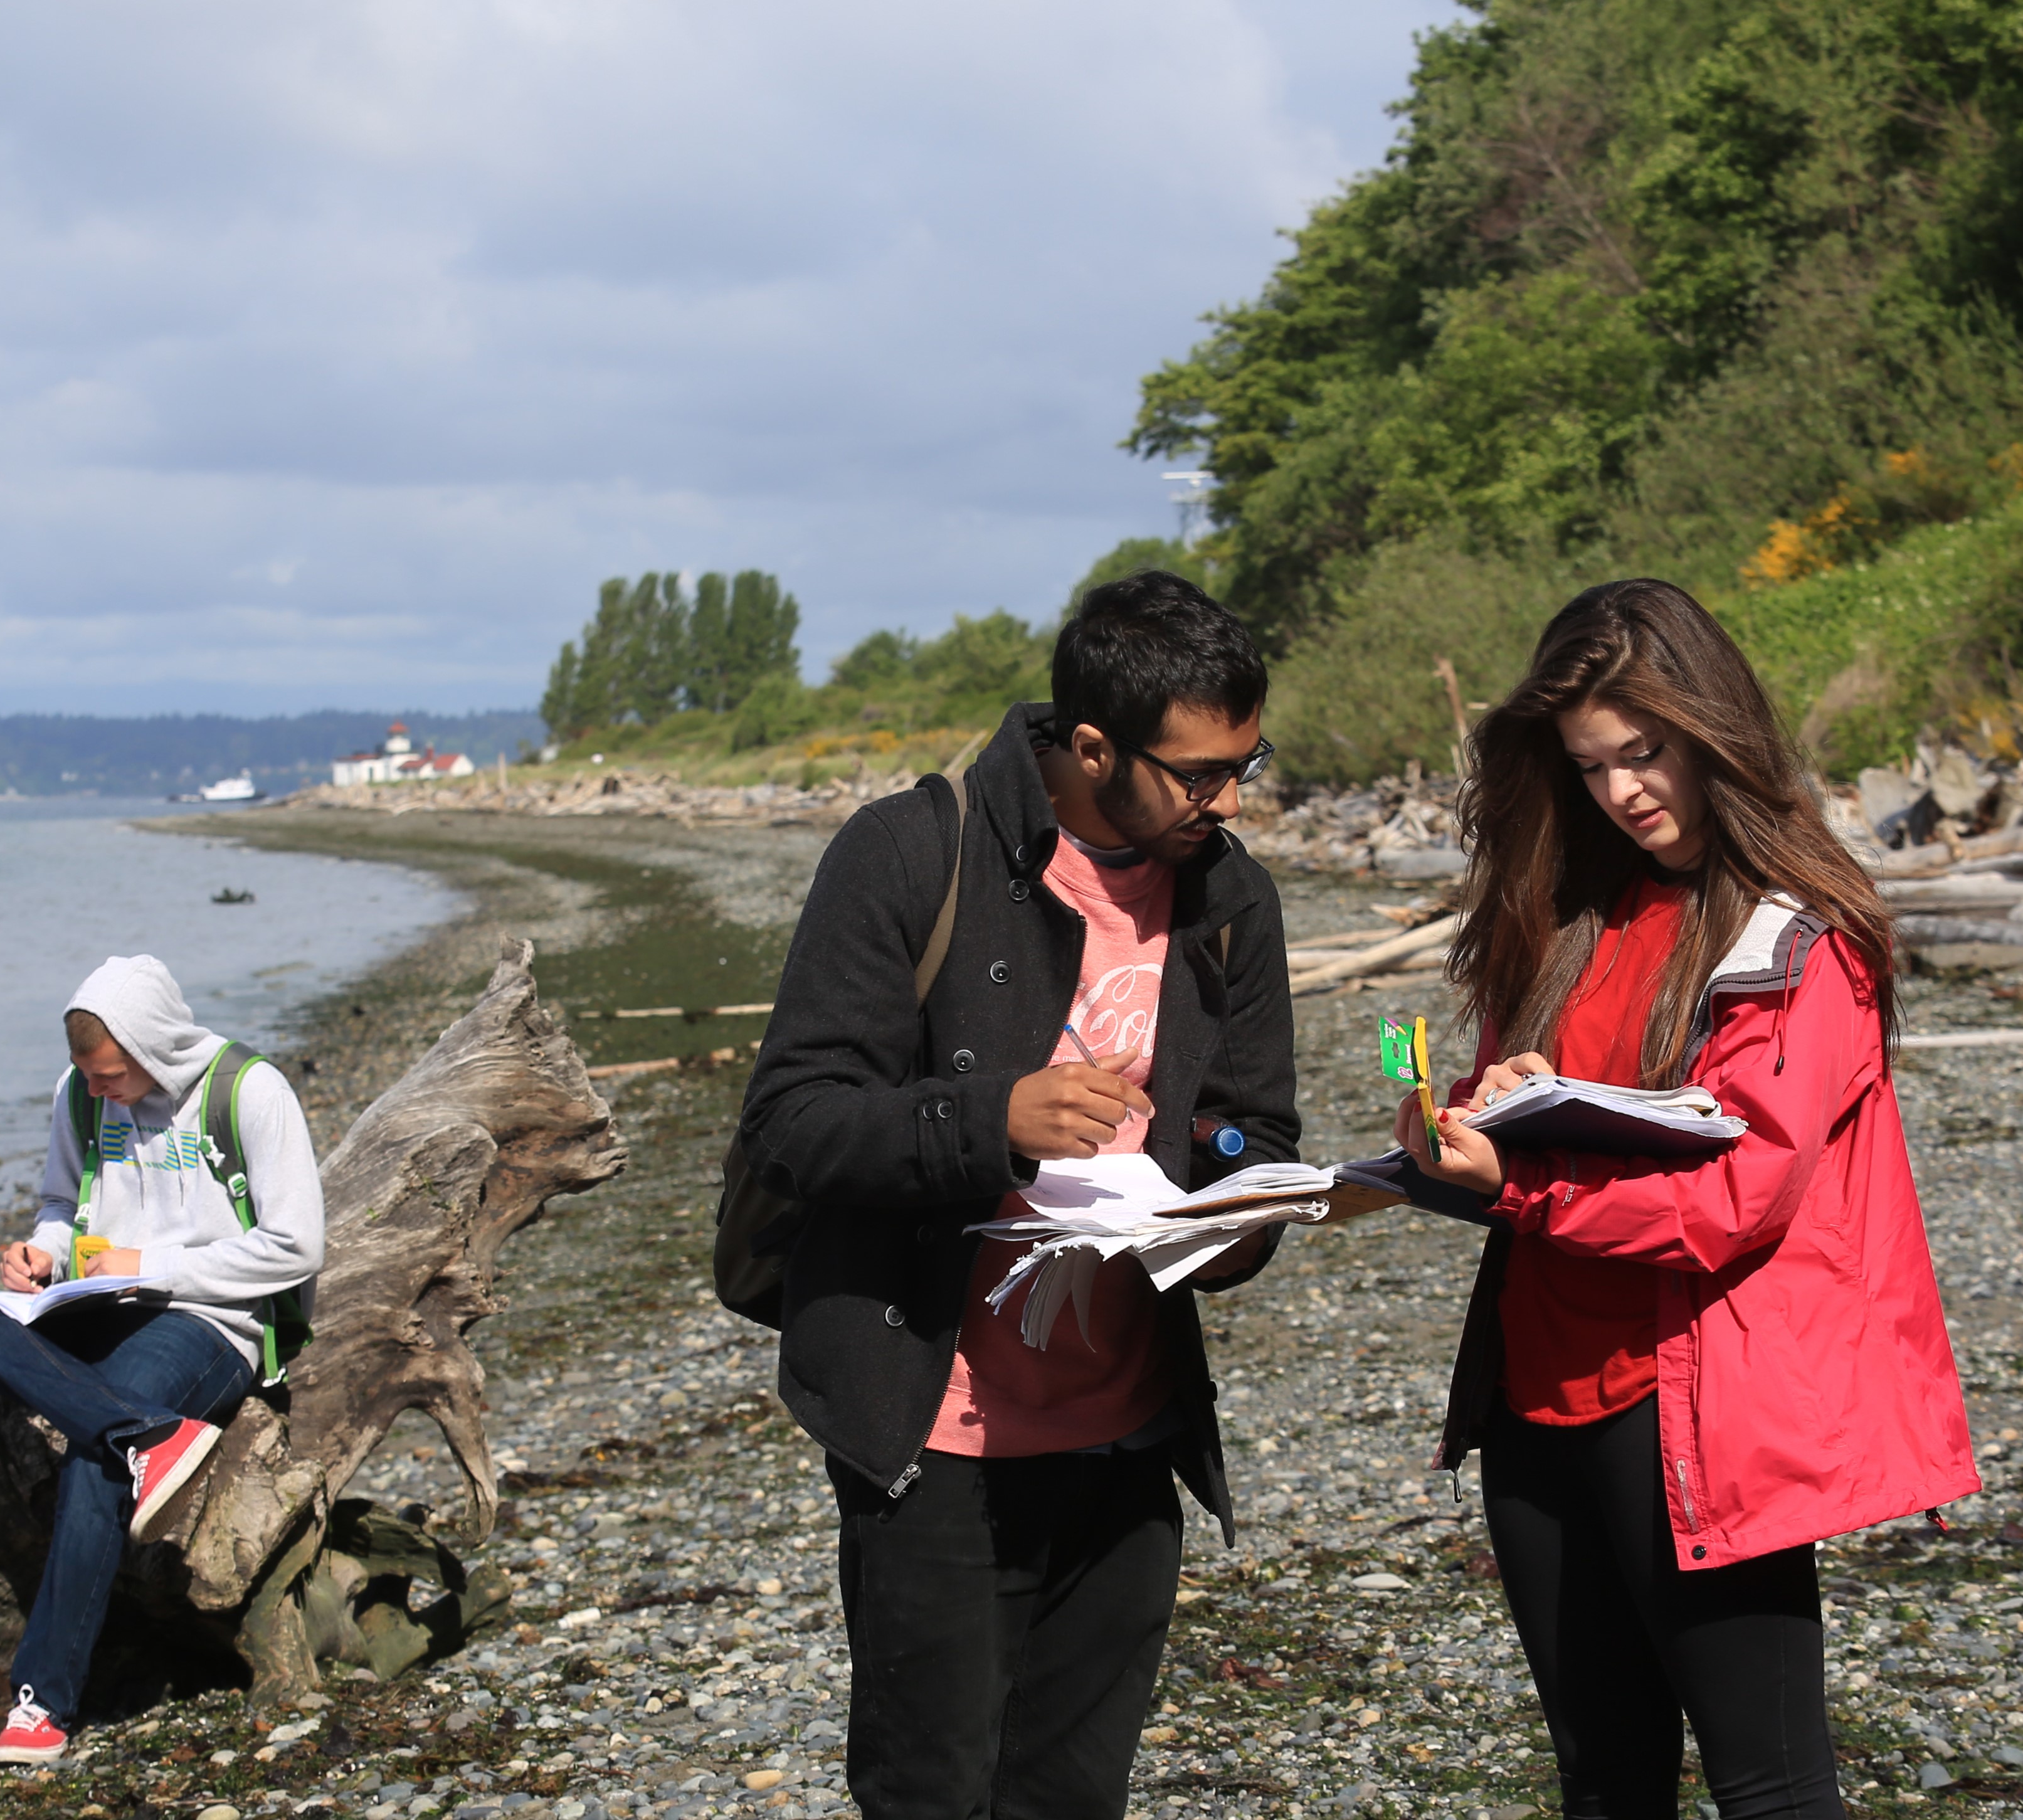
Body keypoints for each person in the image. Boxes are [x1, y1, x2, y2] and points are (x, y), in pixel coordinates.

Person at [1406, 579, 1976, 1820]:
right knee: (1602, 1781)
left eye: (1643, 752)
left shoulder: (1799, 936)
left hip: (1693, 1409)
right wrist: (1471, 1111)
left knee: (1770, 1787)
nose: (1620, 790)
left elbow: (1735, 1194)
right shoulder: (1570, 909)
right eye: (1587, 764)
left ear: (1712, 728)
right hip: (1532, 1399)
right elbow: (1507, 1110)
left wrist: (1523, 1181)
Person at [740, 571, 1300, 1819]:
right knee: (930, 1791)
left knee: (1072, 1794)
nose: (1226, 802)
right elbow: (793, 1120)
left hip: (1129, 1430)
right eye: (1198, 774)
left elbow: (1251, 1130)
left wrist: (1230, 1226)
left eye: (1243, 765)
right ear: (1091, 747)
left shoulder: (1229, 896)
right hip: (932, 1431)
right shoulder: (909, 851)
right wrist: (988, 1118)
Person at [0, 954, 324, 1766]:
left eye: (113, 1075)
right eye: (89, 1077)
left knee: (95, 1454)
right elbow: (57, 1203)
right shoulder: (78, 1092)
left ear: (155, 1045)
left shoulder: (250, 1091)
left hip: (211, 1322)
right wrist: (41, 1254)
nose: (99, 1091)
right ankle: (147, 1431)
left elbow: (296, 1246)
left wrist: (154, 1266)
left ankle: (43, 1700)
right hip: (96, 1304)